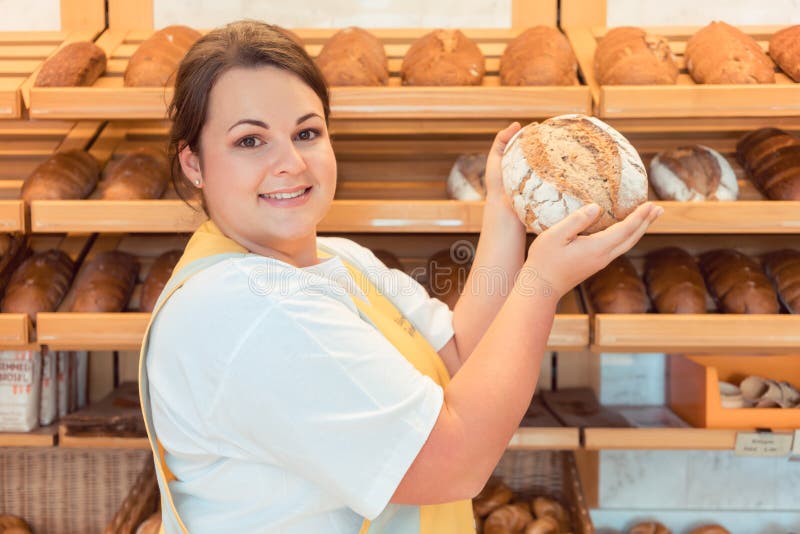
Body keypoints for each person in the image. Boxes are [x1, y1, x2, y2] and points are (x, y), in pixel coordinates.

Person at [138, 20, 662, 534]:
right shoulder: (244, 310)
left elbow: (462, 358)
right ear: (194, 164)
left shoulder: (339, 260)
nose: (292, 162)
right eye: (250, 141)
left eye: (307, 132)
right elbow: (454, 464)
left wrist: (505, 215)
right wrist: (541, 284)